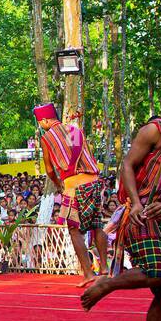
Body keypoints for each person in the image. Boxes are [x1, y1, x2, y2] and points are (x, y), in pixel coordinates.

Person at [81, 116, 161, 321]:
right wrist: (135, 202)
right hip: (139, 213)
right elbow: (127, 164)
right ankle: (107, 282)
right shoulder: (155, 131)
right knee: (158, 274)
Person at [34, 103, 107, 285]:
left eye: (40, 122)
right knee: (97, 225)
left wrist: (58, 183)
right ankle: (105, 268)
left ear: (44, 120)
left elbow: (50, 169)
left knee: (74, 230)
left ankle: (89, 273)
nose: (40, 125)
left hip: (74, 185)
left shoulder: (47, 138)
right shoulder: (75, 131)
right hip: (94, 182)